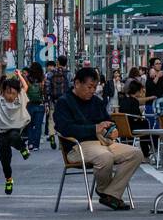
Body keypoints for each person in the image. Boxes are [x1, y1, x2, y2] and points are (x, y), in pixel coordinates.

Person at [52, 67, 145, 210]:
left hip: (103, 142)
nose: (92, 91)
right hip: (77, 145)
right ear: (77, 83)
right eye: (89, 87)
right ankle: (105, 191)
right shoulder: (64, 102)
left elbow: (107, 121)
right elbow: (65, 129)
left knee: (136, 153)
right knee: (105, 157)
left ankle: (111, 194)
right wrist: (94, 128)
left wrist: (112, 131)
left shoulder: (96, 101)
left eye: (94, 87)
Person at [0, 66, 31, 195]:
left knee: (14, 136)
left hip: (14, 130)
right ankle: (9, 179)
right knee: (4, 159)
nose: (10, 96)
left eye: (13, 93)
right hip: (2, 133)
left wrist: (19, 75)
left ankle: (23, 148)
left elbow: (26, 87)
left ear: (17, 93)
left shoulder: (20, 99)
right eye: (8, 92)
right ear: (3, 92)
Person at [24, 63, 47, 154]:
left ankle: (30, 143)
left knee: (29, 125)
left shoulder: (27, 78)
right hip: (40, 105)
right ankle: (36, 145)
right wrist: (46, 104)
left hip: (29, 104)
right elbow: (45, 92)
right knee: (38, 126)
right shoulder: (42, 79)